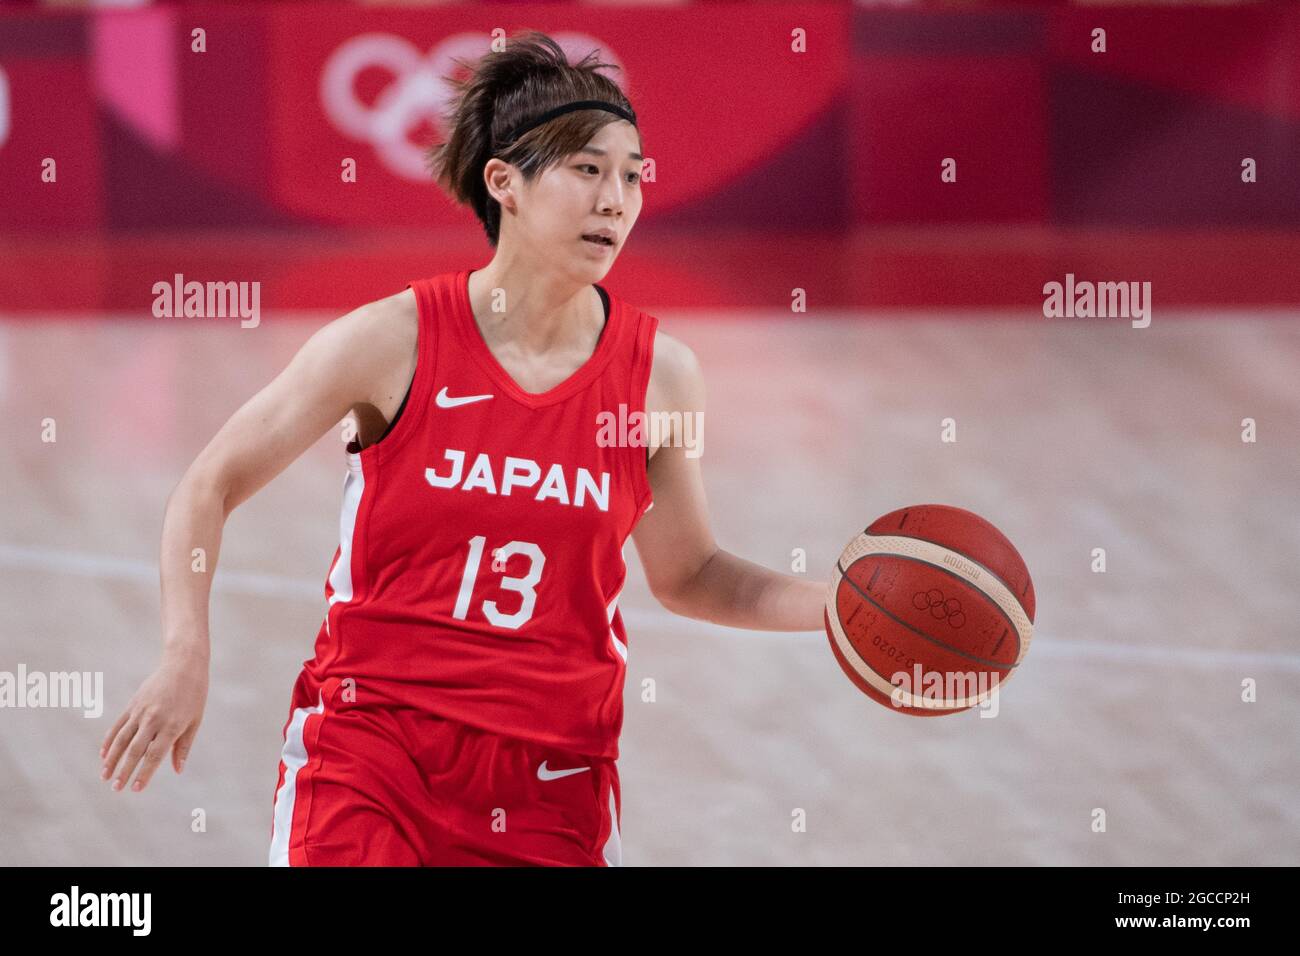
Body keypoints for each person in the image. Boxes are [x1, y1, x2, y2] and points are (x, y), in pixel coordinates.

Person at [99, 30, 827, 866]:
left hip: (553, 783)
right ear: (503, 182)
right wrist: (186, 653)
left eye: (632, 175)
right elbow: (209, 483)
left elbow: (691, 573)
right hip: (371, 760)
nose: (616, 200)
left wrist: (838, 610)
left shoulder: (661, 377)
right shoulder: (392, 340)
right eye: (587, 169)